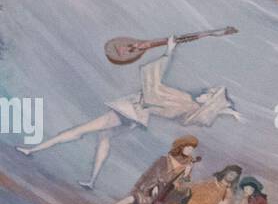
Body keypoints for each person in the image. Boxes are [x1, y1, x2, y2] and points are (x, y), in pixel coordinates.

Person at [17, 35, 243, 188]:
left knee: (81, 130)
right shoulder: (189, 106)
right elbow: (201, 111)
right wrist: (227, 112)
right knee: (104, 139)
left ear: (207, 100)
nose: (205, 91)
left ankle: (34, 149)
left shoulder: (185, 102)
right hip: (135, 116)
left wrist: (168, 53)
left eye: (208, 93)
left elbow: (154, 89)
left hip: (130, 111)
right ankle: (92, 180)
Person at [99, 135, 200, 204]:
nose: (191, 150)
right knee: (132, 198)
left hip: (166, 194)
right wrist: (154, 186)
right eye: (189, 147)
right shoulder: (164, 159)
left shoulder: (188, 165)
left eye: (192, 149)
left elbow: (182, 186)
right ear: (182, 146)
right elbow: (151, 173)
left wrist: (186, 175)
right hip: (152, 188)